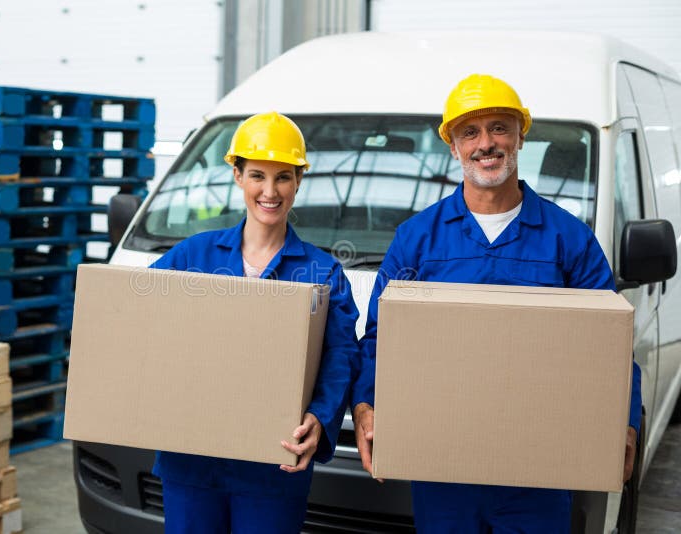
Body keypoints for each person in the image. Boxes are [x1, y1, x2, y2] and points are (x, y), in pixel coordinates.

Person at [350, 74, 641, 533]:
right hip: (442, 466)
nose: (485, 143)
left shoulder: (569, 239)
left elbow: (611, 344)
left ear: (521, 136)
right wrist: (365, 406)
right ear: (453, 147)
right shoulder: (417, 239)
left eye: (499, 128)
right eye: (470, 132)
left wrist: (625, 421)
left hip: (540, 470)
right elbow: (379, 337)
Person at [149, 111, 360, 534]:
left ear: (298, 181)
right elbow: (142, 327)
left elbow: (341, 356)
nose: (270, 191)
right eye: (258, 176)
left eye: (283, 177)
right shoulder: (191, 257)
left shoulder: (322, 273)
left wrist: (319, 417)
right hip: (192, 460)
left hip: (273, 464)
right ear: (238, 176)